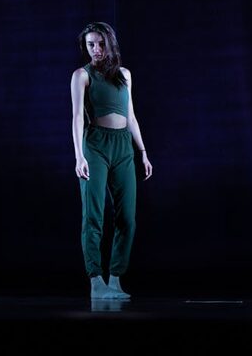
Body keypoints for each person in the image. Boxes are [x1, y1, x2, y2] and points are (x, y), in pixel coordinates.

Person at [70, 22, 152, 300]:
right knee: (94, 216)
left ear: (110, 44)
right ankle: (96, 281)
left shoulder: (124, 75)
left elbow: (131, 116)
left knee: (127, 217)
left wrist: (142, 151)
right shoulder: (82, 75)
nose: (96, 49)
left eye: (100, 43)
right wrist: (79, 155)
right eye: (91, 44)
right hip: (95, 145)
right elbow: (77, 117)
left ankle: (115, 279)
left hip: (123, 147)